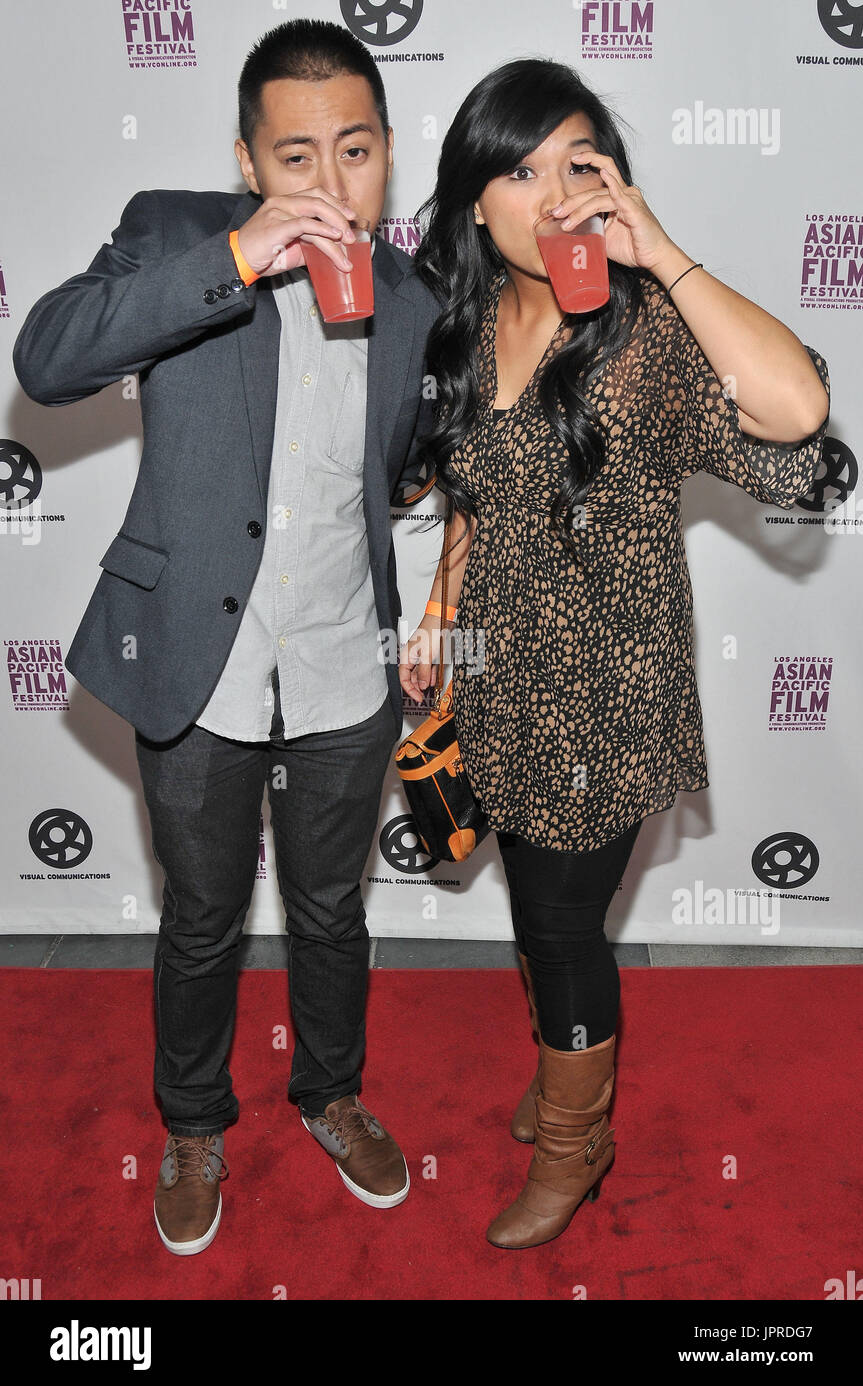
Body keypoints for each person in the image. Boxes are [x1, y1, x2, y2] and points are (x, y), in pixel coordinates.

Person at [13, 19, 440, 1255]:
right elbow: (46, 361)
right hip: (192, 662)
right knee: (200, 915)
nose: (328, 180)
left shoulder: (410, 295)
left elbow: (401, 464)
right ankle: (194, 1121)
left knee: (330, 911)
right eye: (294, 154)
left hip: (341, 660)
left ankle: (331, 1093)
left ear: (386, 155)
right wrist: (237, 258)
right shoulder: (173, 227)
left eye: (353, 150)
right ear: (249, 161)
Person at [399, 58, 830, 1250]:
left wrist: (661, 250)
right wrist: (441, 617)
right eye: (518, 168)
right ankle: (559, 1082)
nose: (550, 193)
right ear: (474, 198)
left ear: (612, 178)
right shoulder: (471, 324)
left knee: (556, 929)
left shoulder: (640, 336)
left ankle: (574, 1148)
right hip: (501, 683)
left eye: (575, 161)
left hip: (607, 693)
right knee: (538, 917)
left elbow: (796, 415)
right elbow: (469, 498)